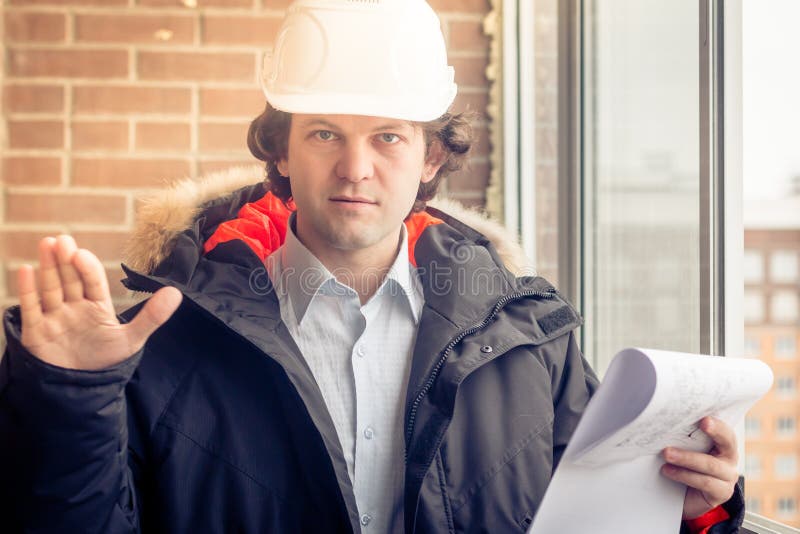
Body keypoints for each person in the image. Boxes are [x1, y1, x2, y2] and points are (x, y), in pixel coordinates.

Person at [0, 0, 743, 532]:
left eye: (388, 137)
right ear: (280, 151)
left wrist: (693, 507)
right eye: (325, 133)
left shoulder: (530, 339)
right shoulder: (160, 341)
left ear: (430, 159)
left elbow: (602, 517)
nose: (355, 168)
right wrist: (68, 399)